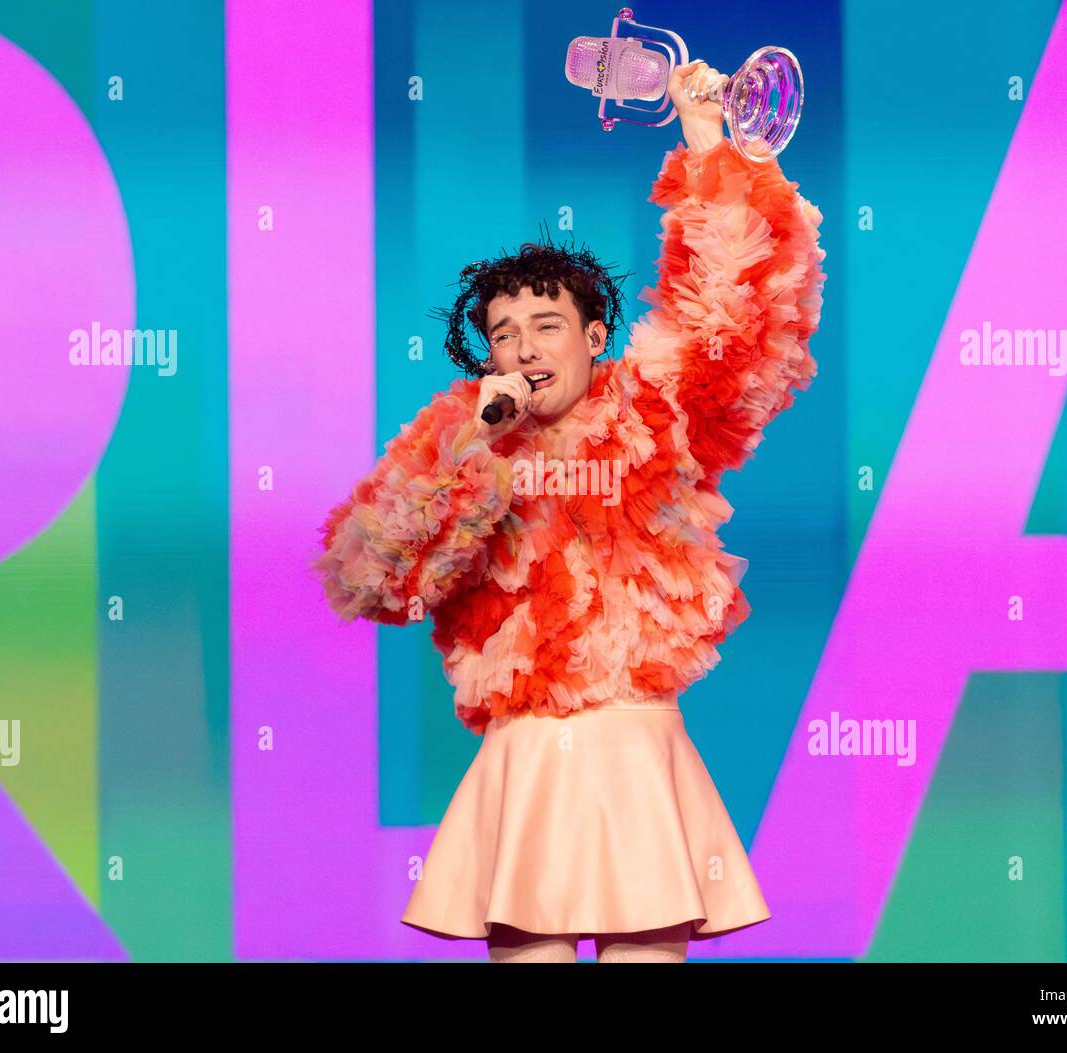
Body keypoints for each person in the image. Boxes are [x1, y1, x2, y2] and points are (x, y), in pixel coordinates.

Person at [312, 60, 826, 962]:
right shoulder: (461, 437)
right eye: (502, 333)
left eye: (544, 325)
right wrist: (466, 441)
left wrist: (705, 140)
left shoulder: (657, 412)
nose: (521, 345)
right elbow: (369, 574)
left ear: (594, 339)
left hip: (635, 748)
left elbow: (742, 317)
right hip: (526, 756)